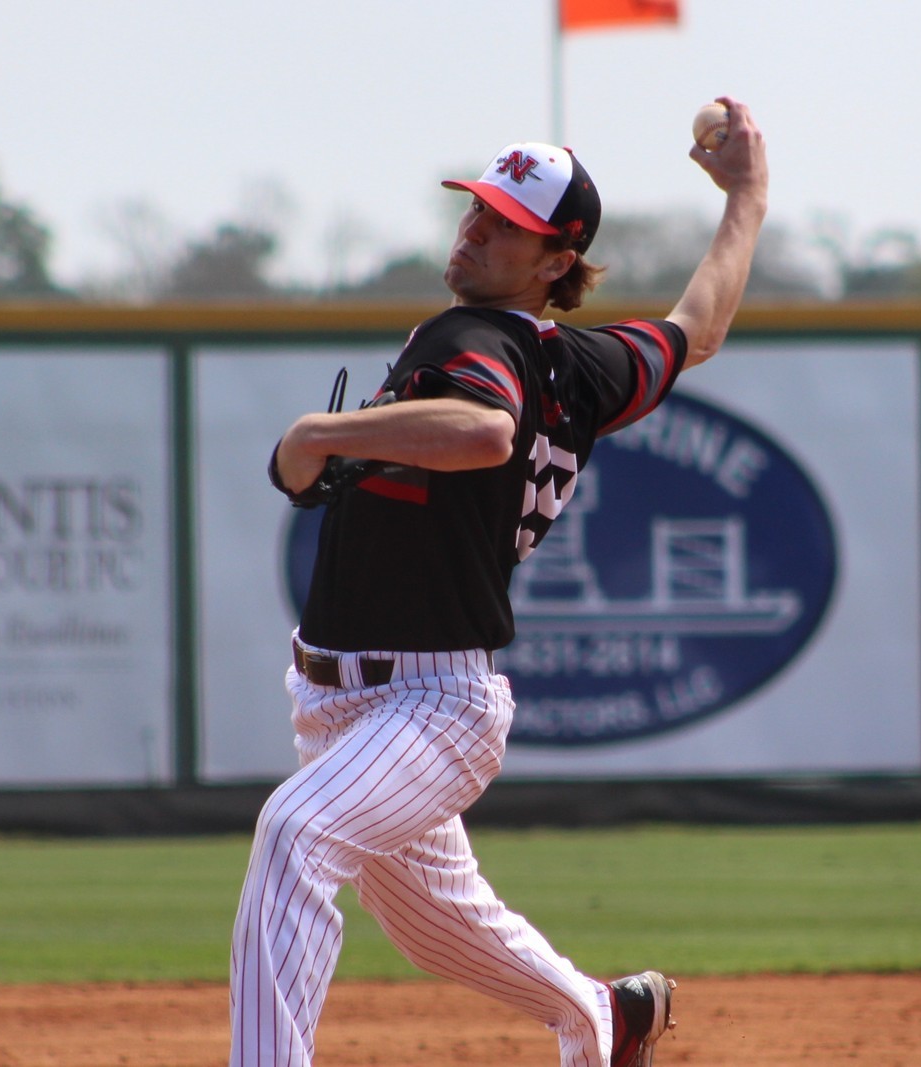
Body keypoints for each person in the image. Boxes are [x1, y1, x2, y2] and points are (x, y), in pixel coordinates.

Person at [231, 97, 769, 1067]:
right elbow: (698, 327)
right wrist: (746, 196)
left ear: (556, 261)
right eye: (475, 208)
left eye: (505, 226)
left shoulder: (469, 333)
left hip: (423, 699)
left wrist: (318, 433)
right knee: (441, 925)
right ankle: (607, 1017)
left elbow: (481, 431)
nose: (474, 230)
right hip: (359, 698)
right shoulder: (583, 364)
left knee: (293, 836)